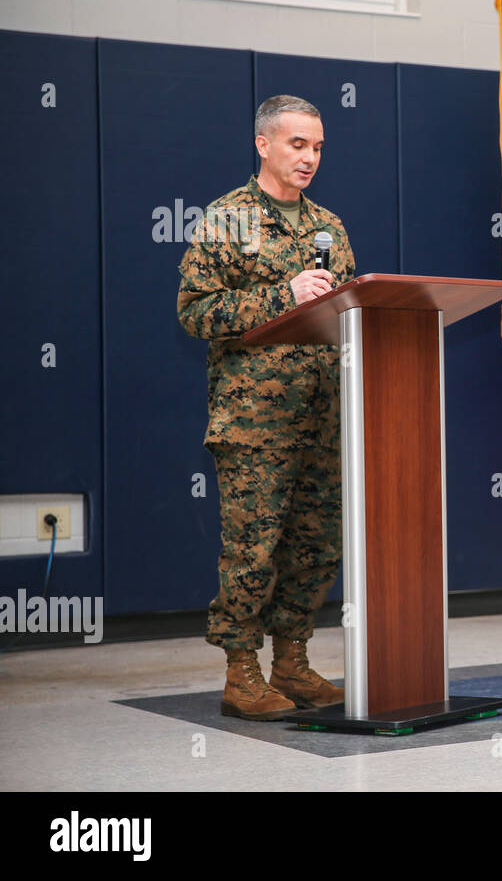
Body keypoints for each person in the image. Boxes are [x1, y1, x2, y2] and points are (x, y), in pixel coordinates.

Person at [177, 94, 355, 720]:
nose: (309, 158)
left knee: (314, 546)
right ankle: (241, 672)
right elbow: (194, 312)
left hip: (324, 419)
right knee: (253, 549)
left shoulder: (328, 227)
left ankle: (293, 662)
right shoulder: (228, 220)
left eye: (317, 147)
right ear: (264, 144)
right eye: (297, 144)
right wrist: (284, 294)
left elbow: (349, 314)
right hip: (255, 423)